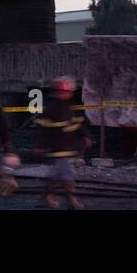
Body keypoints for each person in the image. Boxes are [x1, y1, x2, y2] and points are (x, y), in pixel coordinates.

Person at [35, 76, 90, 209]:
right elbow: (43, 129)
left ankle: (49, 196)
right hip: (56, 148)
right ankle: (72, 200)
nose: (66, 94)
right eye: (64, 91)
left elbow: (77, 124)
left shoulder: (70, 107)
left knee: (59, 176)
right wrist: (41, 145)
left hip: (69, 147)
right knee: (67, 176)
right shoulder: (51, 108)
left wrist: (84, 136)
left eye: (68, 92)